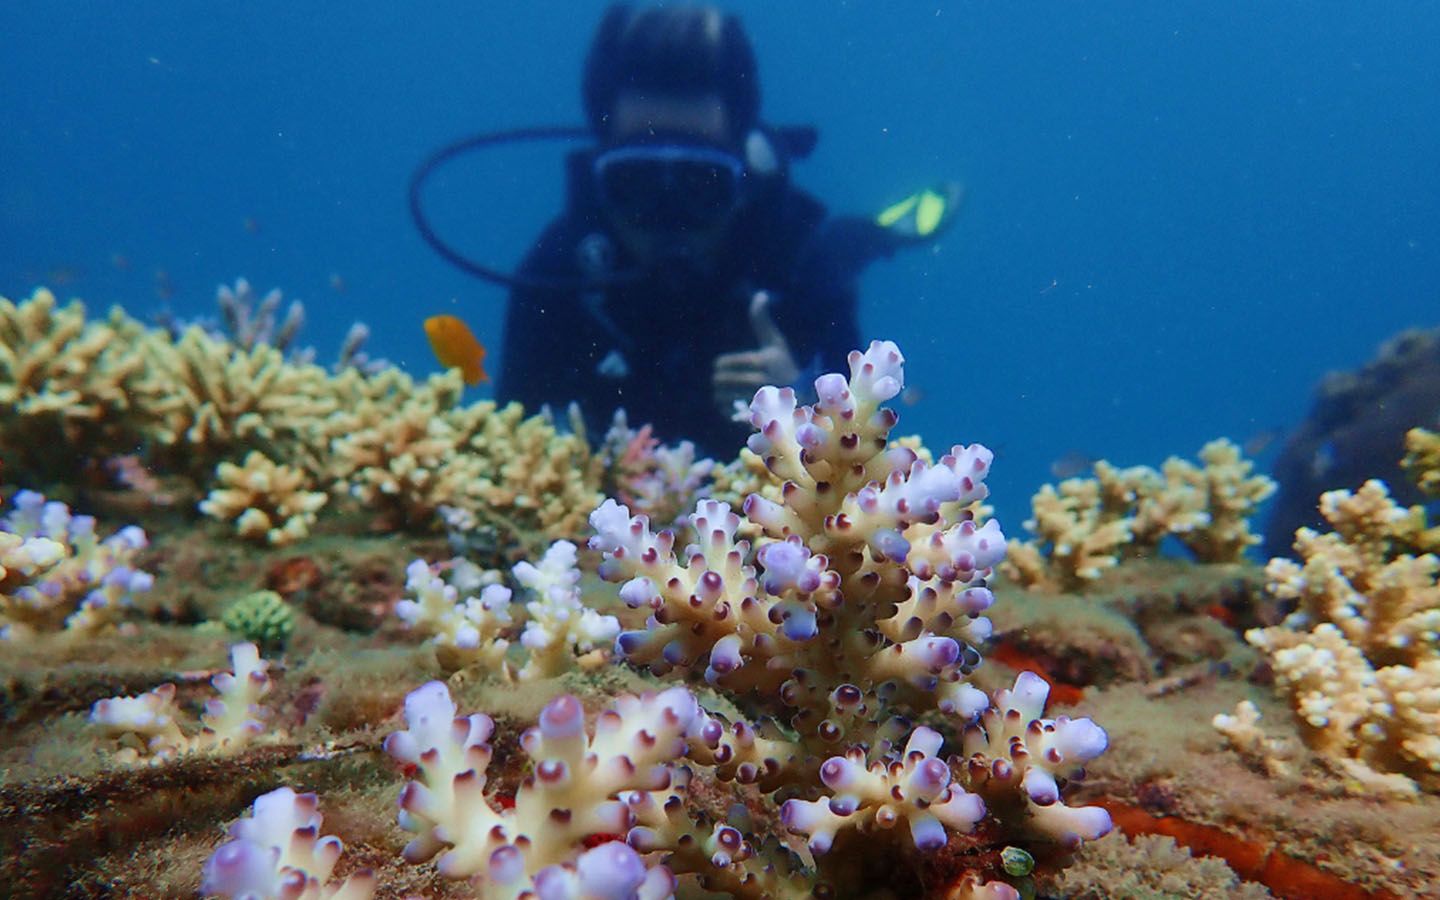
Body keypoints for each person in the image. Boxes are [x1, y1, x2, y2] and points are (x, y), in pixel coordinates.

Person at [495, 3, 959, 454]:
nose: (668, 218)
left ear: (740, 180)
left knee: (842, 247)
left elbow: (858, 463)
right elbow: (512, 445)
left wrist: (798, 405)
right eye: (635, 185)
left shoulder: (801, 263)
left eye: (700, 186)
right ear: (601, 179)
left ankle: (877, 232)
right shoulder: (556, 274)